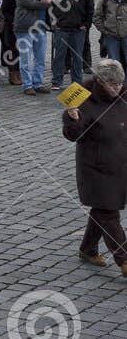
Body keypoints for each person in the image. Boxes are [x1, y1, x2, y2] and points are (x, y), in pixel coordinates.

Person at [63, 57, 127, 272]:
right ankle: (124, 259)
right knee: (109, 213)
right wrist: (72, 117)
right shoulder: (82, 100)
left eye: (119, 84)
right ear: (100, 82)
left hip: (120, 165)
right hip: (95, 168)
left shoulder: (123, 95)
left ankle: (88, 249)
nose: (117, 89)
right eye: (112, 85)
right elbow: (73, 135)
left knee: (102, 210)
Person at [50, 0, 95, 90]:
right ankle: (56, 81)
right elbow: (50, 8)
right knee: (59, 56)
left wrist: (86, 25)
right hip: (61, 29)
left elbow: (90, 8)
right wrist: (53, 24)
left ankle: (77, 82)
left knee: (77, 57)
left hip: (78, 30)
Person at [14, 0, 53, 94]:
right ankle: (27, 85)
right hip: (25, 28)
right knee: (26, 59)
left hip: (41, 28)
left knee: (40, 59)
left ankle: (38, 83)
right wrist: (46, 2)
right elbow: (29, 3)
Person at [96, 0, 127, 68]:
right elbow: (97, 17)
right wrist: (104, 30)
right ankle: (117, 82)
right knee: (114, 63)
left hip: (126, 35)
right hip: (111, 36)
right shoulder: (104, 0)